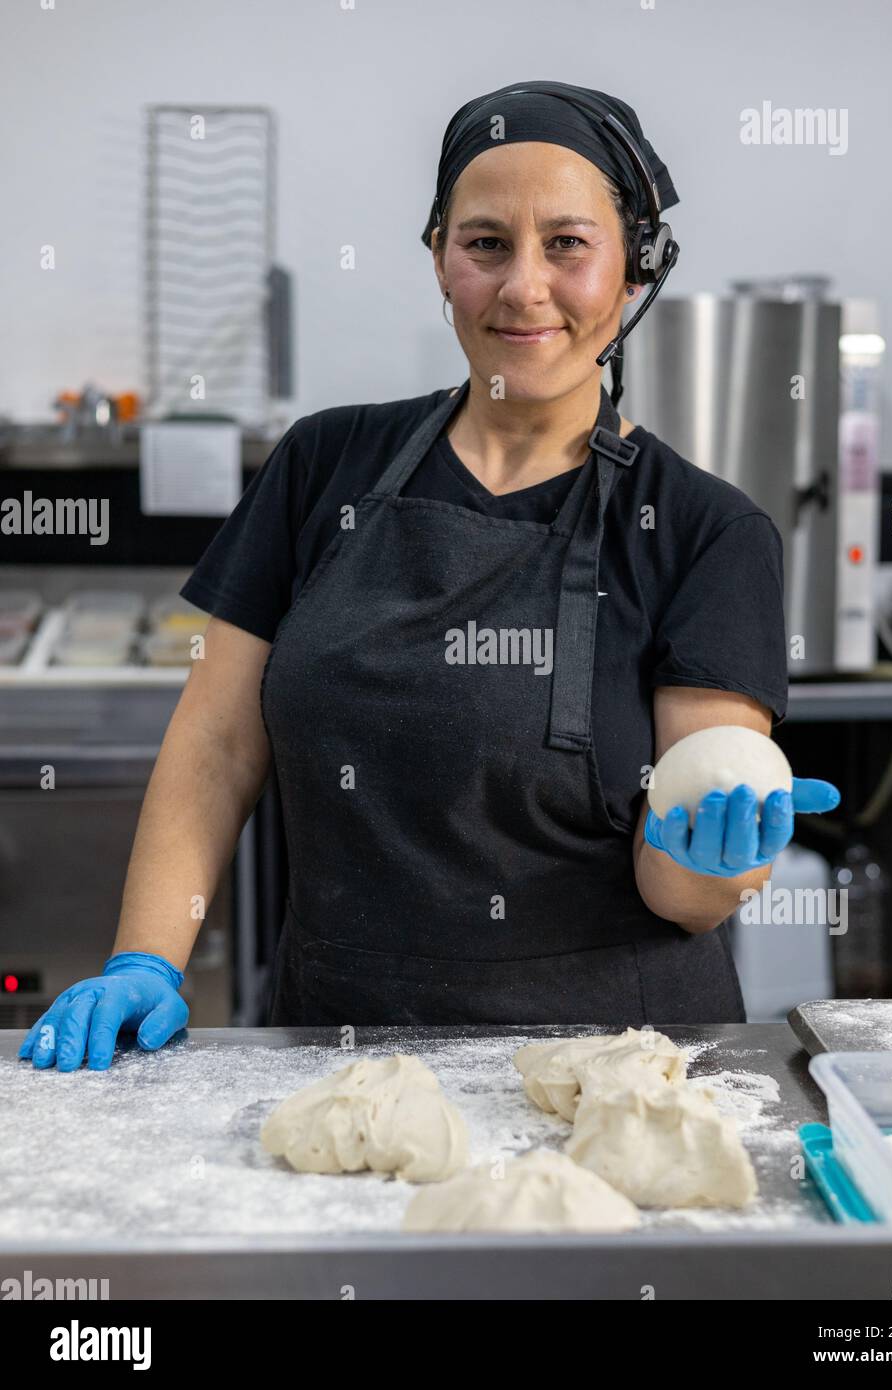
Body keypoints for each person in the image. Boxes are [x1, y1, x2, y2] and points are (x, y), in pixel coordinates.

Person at [19, 80, 838, 1072]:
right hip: (337, 1053)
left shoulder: (704, 531)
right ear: (441, 260)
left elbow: (676, 883)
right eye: (485, 243)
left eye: (567, 245)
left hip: (614, 1078)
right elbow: (217, 742)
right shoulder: (324, 465)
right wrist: (147, 954)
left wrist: (716, 861)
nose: (522, 287)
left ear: (632, 271)